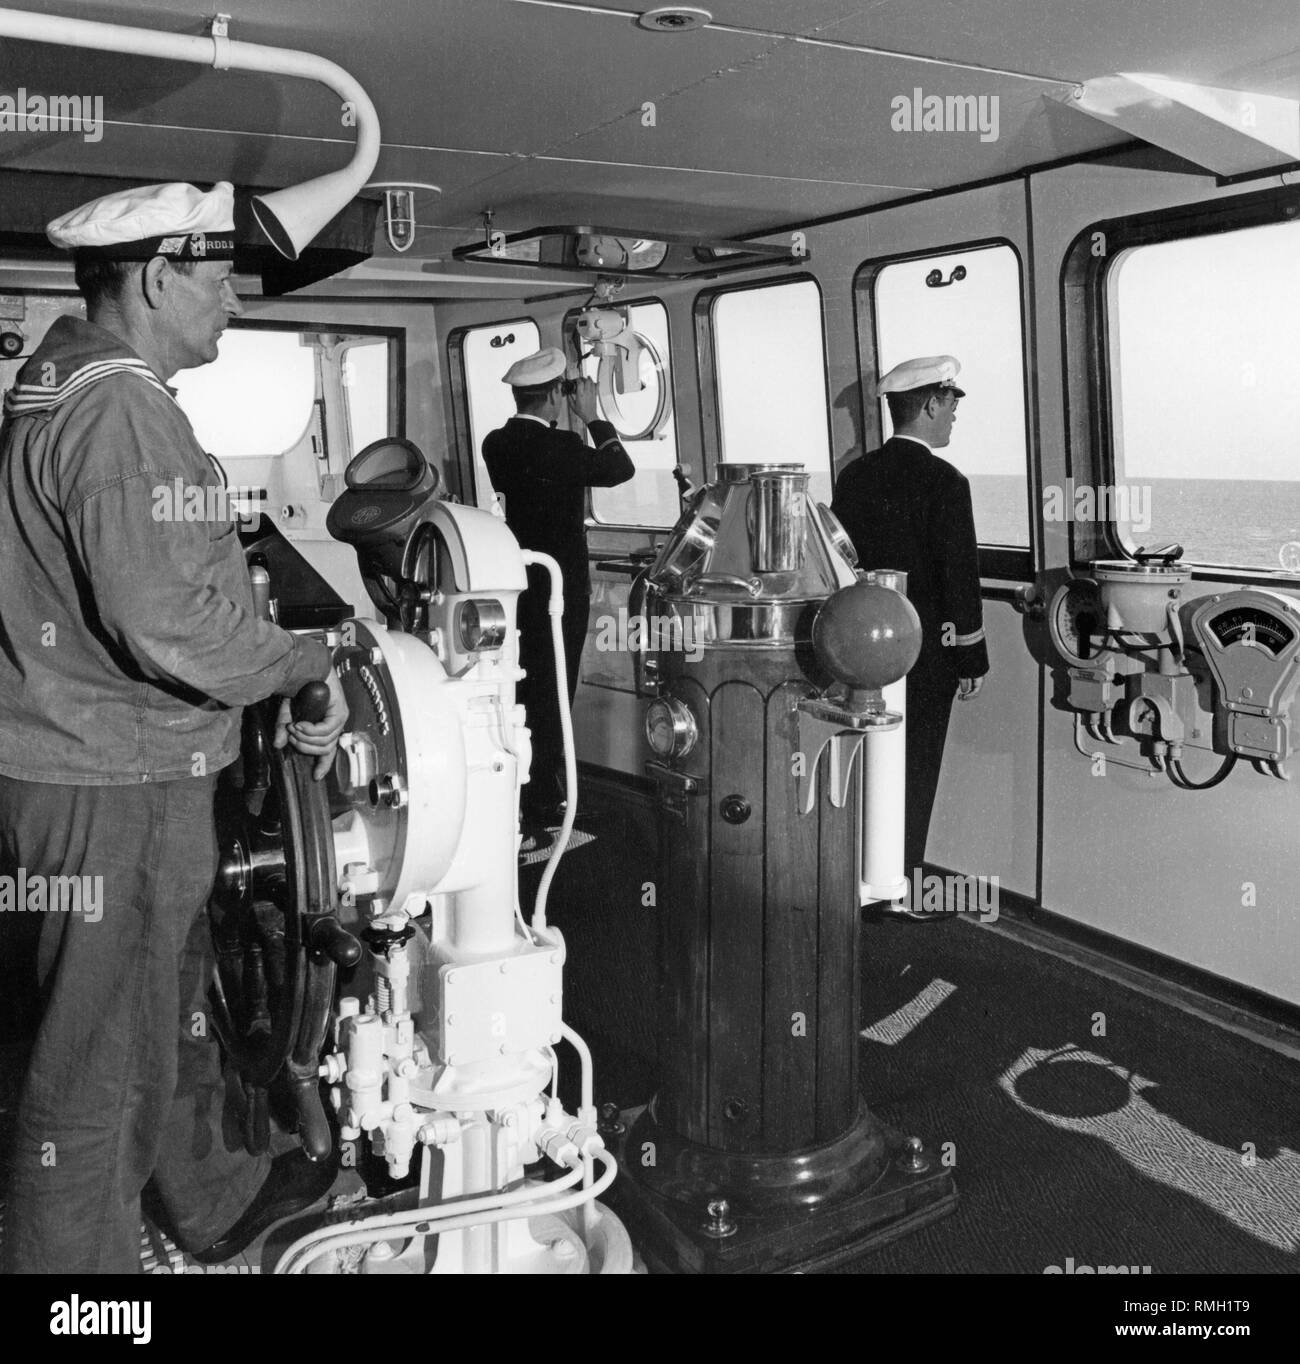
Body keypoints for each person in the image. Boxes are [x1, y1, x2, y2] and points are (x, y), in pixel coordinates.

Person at [0, 181, 349, 1273]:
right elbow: (166, 621)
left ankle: (207, 1194)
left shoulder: (63, 381)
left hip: (93, 767)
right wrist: (305, 659)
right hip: (116, 779)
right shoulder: (120, 410)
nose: (235, 302)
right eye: (220, 276)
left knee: (156, 1012)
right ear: (155, 277)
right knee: (94, 1064)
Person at [831, 355, 988, 917]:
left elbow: (840, 564)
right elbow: (958, 579)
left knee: (861, 766)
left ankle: (850, 878)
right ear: (928, 404)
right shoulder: (947, 483)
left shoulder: (855, 476)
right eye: (950, 404)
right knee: (913, 770)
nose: (953, 417)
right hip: (924, 657)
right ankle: (896, 891)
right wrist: (970, 657)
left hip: (856, 655)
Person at [482, 348, 634, 838]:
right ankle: (546, 802)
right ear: (554, 395)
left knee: (526, 687)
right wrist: (592, 415)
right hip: (560, 589)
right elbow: (619, 468)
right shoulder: (565, 446)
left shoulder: (495, 443)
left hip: (518, 584)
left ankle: (529, 796)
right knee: (555, 690)